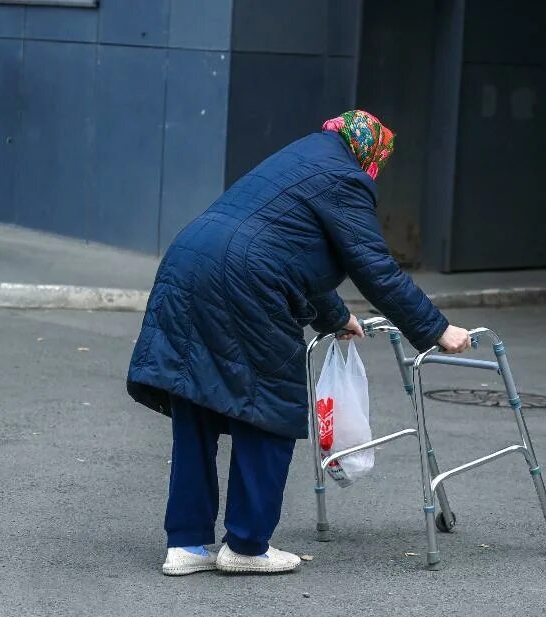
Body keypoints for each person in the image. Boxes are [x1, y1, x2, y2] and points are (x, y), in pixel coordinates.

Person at [126, 110, 471, 576]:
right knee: (267, 406)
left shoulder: (300, 158)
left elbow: (286, 245)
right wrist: (435, 329)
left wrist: (335, 316)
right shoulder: (344, 178)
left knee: (199, 402)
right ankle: (246, 546)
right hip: (244, 280)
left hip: (188, 264)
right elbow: (372, 265)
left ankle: (186, 545)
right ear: (370, 152)